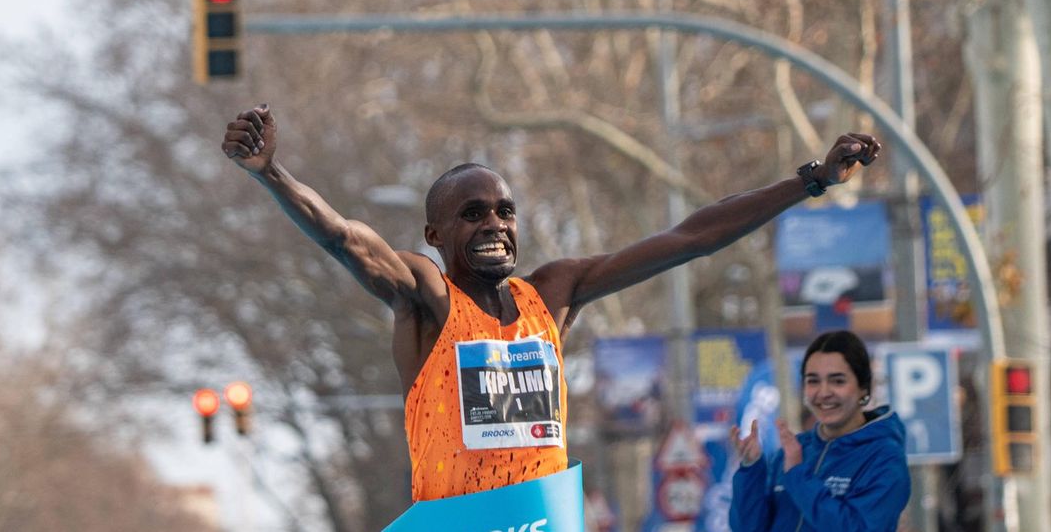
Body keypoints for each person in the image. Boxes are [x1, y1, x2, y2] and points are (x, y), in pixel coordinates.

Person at [221, 104, 881, 503]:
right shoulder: (428, 298)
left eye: (505, 211)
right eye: (472, 213)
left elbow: (691, 237)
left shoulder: (554, 293)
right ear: (434, 235)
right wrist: (272, 174)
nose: (494, 224)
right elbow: (345, 239)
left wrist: (812, 180)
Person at [728, 329, 911, 532]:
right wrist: (751, 469)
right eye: (813, 381)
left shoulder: (883, 458)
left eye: (837, 381)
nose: (823, 393)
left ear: (864, 388)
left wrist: (798, 476)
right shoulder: (793, 452)